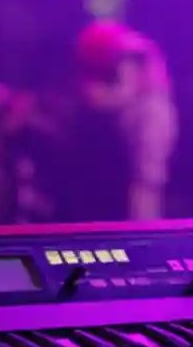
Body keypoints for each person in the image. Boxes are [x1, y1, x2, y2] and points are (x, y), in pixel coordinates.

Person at [43, 20, 178, 222]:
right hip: (140, 125)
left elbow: (116, 96)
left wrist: (88, 92)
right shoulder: (123, 53)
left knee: (145, 187)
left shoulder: (130, 53)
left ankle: (143, 239)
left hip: (149, 123)